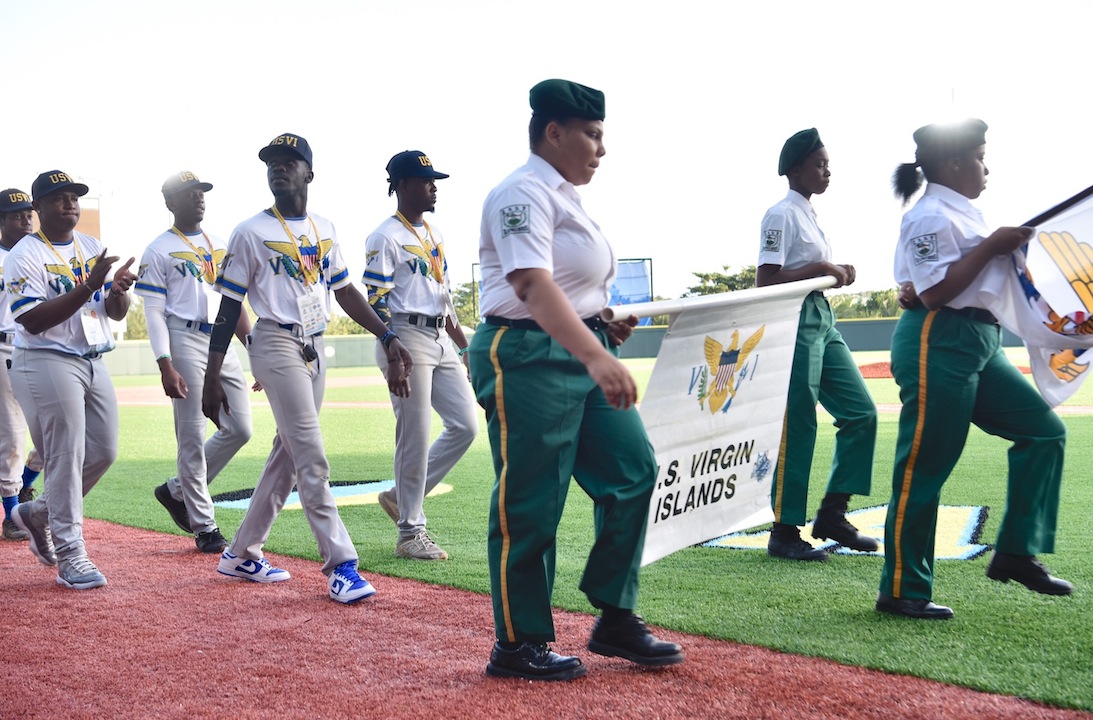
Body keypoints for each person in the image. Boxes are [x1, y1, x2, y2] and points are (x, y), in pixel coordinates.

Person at [469, 79, 684, 681]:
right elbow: (531, 285)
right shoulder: (521, 192)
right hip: (526, 355)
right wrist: (596, 355)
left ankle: (614, 615)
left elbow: (568, 286)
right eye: (592, 135)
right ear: (554, 132)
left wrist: (598, 323)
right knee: (531, 501)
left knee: (633, 472)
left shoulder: (565, 196)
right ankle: (518, 644)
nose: (601, 149)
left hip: (579, 346)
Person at [202, 133, 413, 605]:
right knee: (311, 454)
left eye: (289, 161)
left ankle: (241, 552)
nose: (278, 168)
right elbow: (229, 306)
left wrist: (388, 335)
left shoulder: (324, 228)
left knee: (289, 452)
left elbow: (346, 291)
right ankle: (341, 564)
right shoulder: (250, 231)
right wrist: (212, 376)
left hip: (314, 344)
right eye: (272, 162)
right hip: (274, 340)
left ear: (309, 173)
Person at [878, 118, 1071, 620]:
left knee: (1044, 432)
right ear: (953, 163)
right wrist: (992, 246)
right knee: (924, 467)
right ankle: (901, 589)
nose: (988, 167)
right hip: (939, 338)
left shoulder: (963, 211)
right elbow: (934, 292)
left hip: (980, 340)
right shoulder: (929, 215)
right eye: (981, 157)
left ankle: (1016, 552)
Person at [8, 170, 138, 589]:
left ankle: (38, 511)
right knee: (66, 455)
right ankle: (71, 554)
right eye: (59, 197)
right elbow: (31, 319)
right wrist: (89, 285)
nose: (69, 204)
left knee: (104, 450)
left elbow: (111, 312)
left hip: (91, 356)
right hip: (45, 359)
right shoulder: (24, 253)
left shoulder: (90, 246)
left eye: (74, 197)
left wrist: (117, 291)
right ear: (38, 207)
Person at [757, 128, 879, 561]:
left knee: (861, 412)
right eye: (820, 164)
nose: (828, 172)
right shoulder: (780, 214)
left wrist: (832, 270)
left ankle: (832, 514)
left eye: (828, 165)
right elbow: (766, 280)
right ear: (795, 169)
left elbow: (809, 269)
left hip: (821, 316)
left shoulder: (809, 214)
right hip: (794, 318)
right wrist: (820, 268)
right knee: (799, 421)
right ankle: (784, 530)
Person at [363, 150, 478, 561]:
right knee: (414, 433)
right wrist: (391, 347)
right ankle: (411, 532)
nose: (433, 187)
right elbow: (375, 299)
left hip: (439, 334)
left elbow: (443, 297)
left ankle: (400, 497)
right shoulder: (384, 237)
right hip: (405, 336)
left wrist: (463, 346)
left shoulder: (432, 233)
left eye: (434, 181)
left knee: (465, 426)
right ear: (402, 184)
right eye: (426, 180)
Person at [136, 171, 254, 554]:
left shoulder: (220, 244)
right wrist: (164, 363)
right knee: (190, 432)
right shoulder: (158, 249)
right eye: (190, 194)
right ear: (170, 203)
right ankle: (204, 526)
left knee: (239, 427)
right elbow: (154, 311)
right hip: (182, 336)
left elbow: (233, 303)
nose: (199, 198)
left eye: (201, 192)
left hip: (219, 338)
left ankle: (176, 491)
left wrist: (255, 351)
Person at [0, 189, 44, 541]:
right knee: (13, 435)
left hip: (40, 348)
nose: (26, 220)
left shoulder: (40, 254)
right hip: (3, 348)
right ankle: (12, 514)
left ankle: (25, 486)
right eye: (17, 215)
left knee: (51, 433)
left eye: (29, 214)